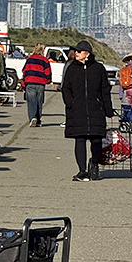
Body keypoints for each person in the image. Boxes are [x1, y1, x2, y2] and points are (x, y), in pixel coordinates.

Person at [61, 40, 113, 182]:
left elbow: (105, 90)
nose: (76, 53)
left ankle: (94, 165)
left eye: (79, 51)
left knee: (96, 140)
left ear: (87, 53)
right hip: (77, 110)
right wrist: (70, 102)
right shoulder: (72, 68)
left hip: (96, 109)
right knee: (80, 139)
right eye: (76, 51)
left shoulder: (98, 69)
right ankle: (82, 171)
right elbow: (65, 88)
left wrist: (108, 110)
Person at [22, 44, 52, 127]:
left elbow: (25, 71)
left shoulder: (29, 59)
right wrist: (48, 80)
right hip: (40, 83)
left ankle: (32, 117)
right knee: (39, 101)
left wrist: (23, 84)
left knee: (31, 101)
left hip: (30, 82)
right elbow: (48, 72)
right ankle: (38, 119)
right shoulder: (45, 60)